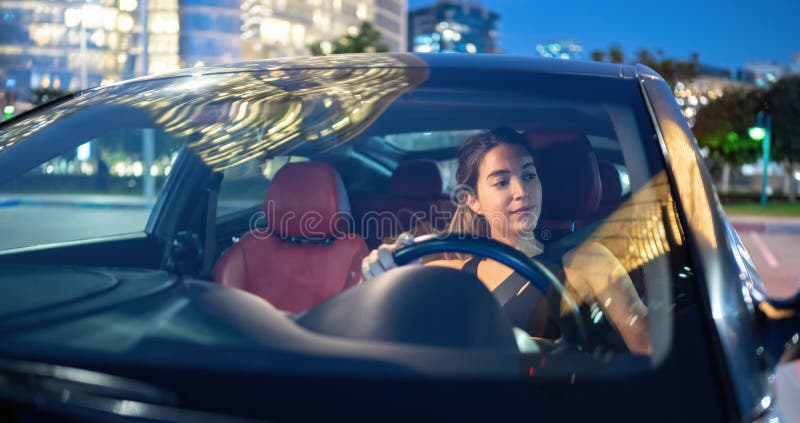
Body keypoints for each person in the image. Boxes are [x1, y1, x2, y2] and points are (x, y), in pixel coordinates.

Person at [361, 127, 652, 355]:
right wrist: (379, 274)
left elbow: (647, 346)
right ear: (472, 200)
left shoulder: (588, 260)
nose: (522, 191)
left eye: (528, 175)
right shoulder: (450, 271)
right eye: (502, 182)